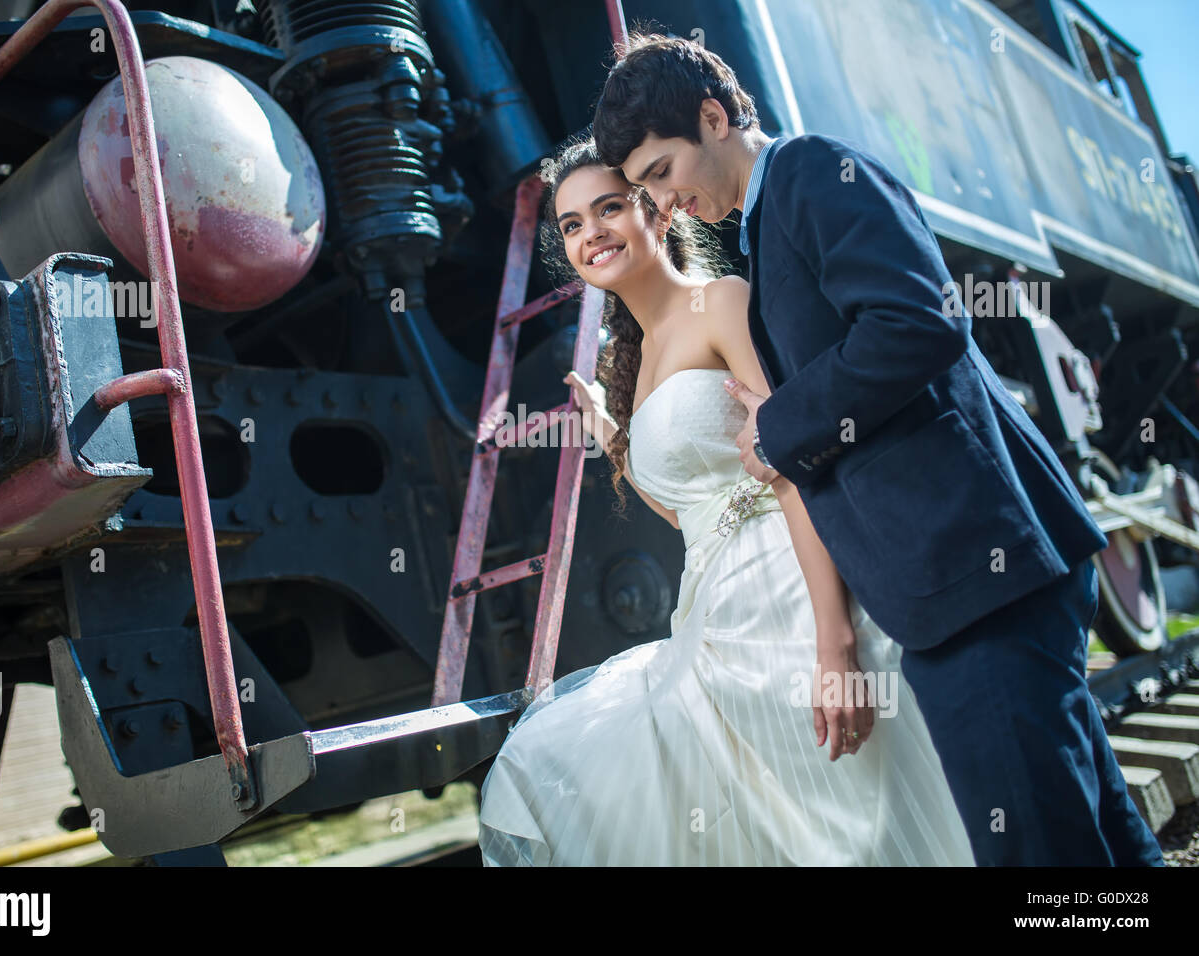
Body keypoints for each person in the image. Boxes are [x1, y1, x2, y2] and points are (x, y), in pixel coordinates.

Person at [590, 32, 1164, 866]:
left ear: (714, 117)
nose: (664, 202)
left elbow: (919, 321)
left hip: (976, 572)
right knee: (1095, 841)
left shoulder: (814, 172)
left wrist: (778, 430)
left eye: (661, 174)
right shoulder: (770, 218)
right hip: (954, 583)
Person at [475, 137, 975, 866]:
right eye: (573, 224)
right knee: (551, 759)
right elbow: (692, 510)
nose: (591, 235)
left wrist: (833, 645)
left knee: (850, 818)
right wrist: (615, 437)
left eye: (609, 207)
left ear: (657, 208)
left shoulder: (723, 302)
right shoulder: (631, 361)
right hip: (709, 618)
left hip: (790, 599)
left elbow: (794, 465)